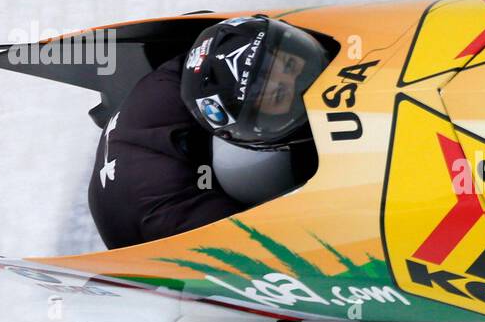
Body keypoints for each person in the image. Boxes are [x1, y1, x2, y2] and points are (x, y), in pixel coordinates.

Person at [87, 15, 330, 249]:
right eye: (280, 95)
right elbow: (262, 249)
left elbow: (223, 45)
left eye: (289, 64)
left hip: (147, 139)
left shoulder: (188, 71)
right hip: (148, 223)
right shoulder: (173, 208)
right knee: (244, 168)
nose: (301, 79)